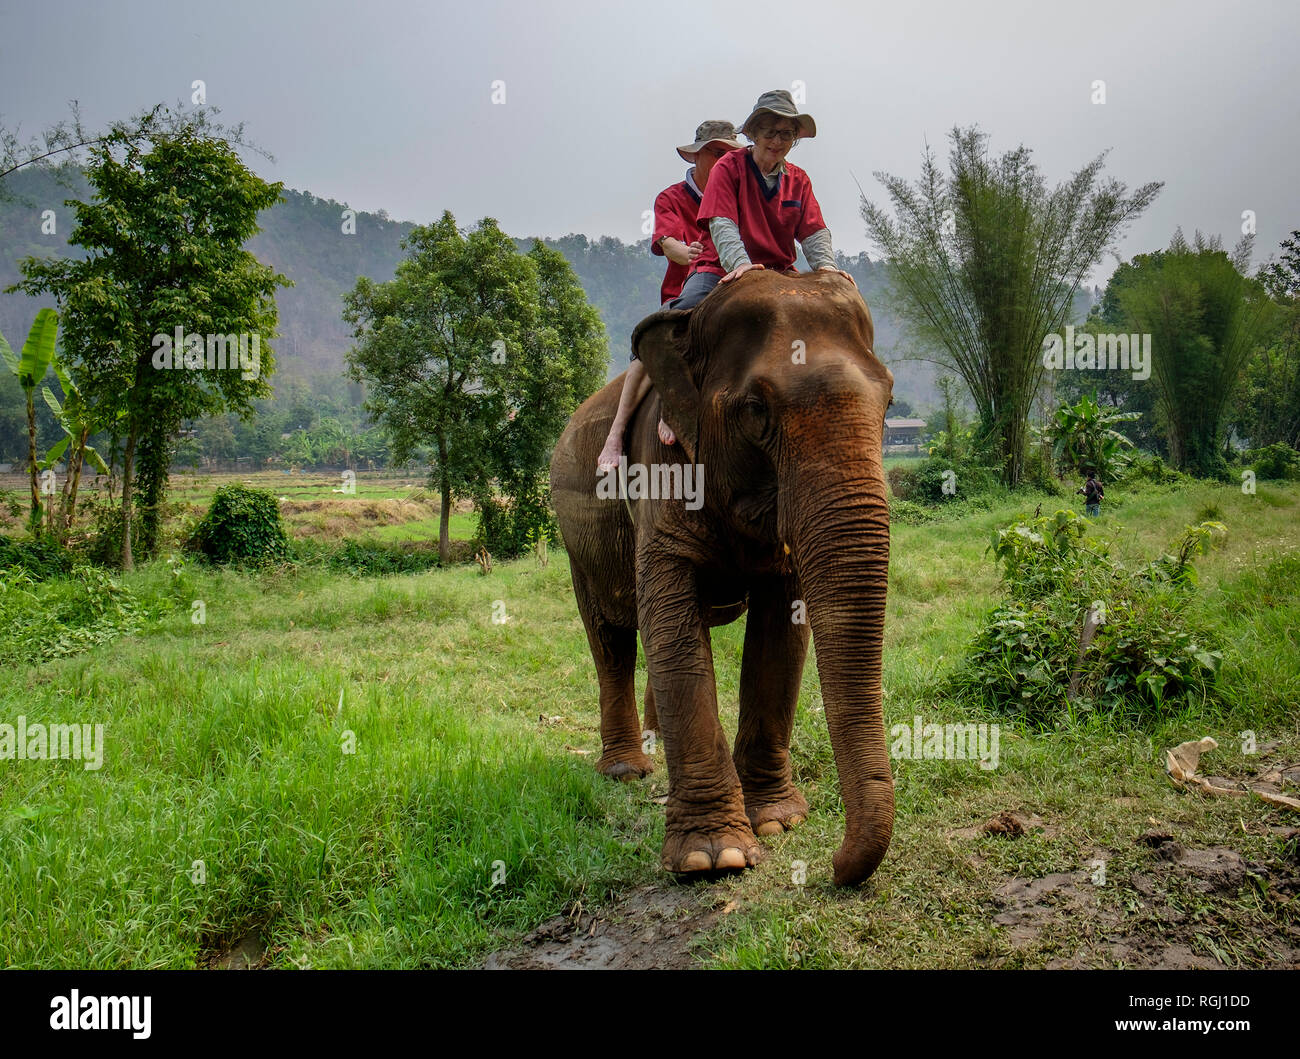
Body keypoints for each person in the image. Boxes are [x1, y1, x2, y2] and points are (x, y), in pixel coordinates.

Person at [597, 120, 742, 472]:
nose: (724, 160)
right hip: (688, 290)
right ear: (695, 157)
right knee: (655, 345)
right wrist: (688, 252)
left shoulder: (739, 191)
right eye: (716, 153)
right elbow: (668, 243)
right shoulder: (672, 198)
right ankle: (617, 433)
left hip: (735, 285)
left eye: (730, 154)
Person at [671, 88, 857, 313]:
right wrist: (742, 266)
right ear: (754, 135)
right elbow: (722, 225)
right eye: (770, 132)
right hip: (720, 270)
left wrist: (826, 267)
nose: (777, 141)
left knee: (840, 310)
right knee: (682, 316)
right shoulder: (728, 168)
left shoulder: (799, 179)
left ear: (795, 138)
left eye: (786, 134)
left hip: (781, 273)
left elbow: (813, 232)